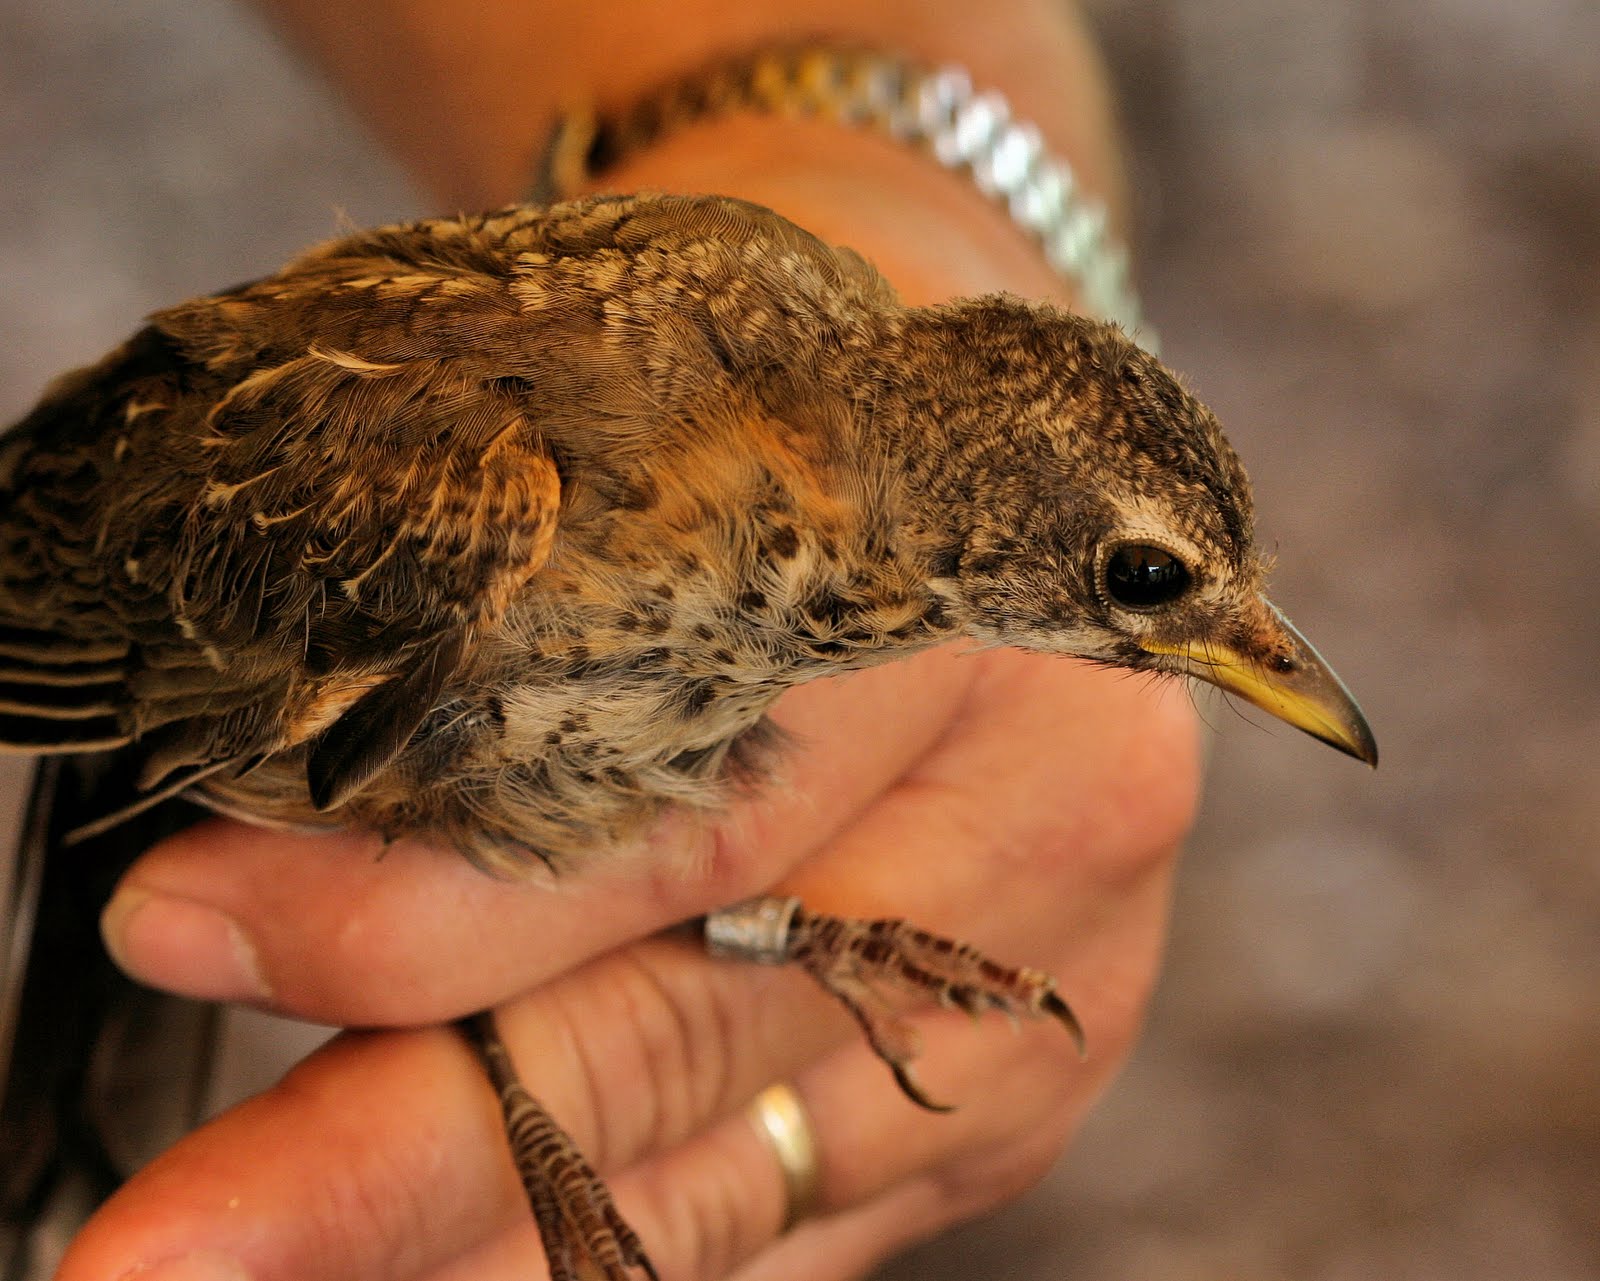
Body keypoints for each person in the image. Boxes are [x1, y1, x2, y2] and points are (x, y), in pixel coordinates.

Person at [56, 3, 1202, 1278]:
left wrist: (940, 181)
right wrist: (535, 1093)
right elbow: (456, 813)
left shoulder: (827, 453)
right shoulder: (477, 495)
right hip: (132, 606)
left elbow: (588, 801)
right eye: (1147, 584)